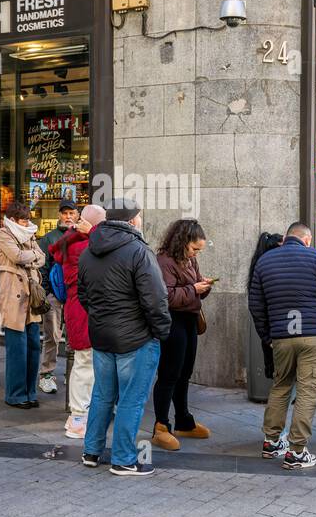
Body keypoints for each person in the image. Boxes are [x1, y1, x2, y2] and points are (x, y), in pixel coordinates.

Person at [79, 200, 171, 476]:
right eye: (140, 216)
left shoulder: (88, 251)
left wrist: (102, 317)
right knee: (131, 399)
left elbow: (85, 297)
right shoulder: (138, 251)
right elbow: (155, 299)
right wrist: (161, 330)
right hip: (136, 338)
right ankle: (123, 459)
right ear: (132, 221)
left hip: (102, 335)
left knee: (102, 395)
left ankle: (91, 451)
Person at [249, 222, 316, 470]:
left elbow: (256, 305)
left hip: (281, 337)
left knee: (281, 386)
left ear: (286, 238)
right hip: (313, 335)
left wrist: (267, 336)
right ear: (307, 239)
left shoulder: (265, 262)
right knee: (308, 391)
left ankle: (271, 442)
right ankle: (297, 450)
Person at [150, 218, 213, 451]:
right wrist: (193, 289)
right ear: (183, 241)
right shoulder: (164, 261)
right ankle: (161, 426)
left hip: (189, 320)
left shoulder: (189, 260)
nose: (196, 253)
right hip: (173, 322)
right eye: (195, 248)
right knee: (169, 374)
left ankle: (184, 421)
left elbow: (192, 291)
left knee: (185, 372)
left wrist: (203, 287)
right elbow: (164, 295)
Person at [50, 204, 106, 439]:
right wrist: (94, 232)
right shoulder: (83, 244)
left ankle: (80, 414)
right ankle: (78, 417)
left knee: (86, 363)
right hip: (84, 309)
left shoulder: (74, 240)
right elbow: (104, 256)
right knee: (84, 363)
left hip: (80, 308)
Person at [0, 199, 46, 409]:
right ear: (13, 219)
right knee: (17, 348)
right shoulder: (3, 233)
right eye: (23, 220)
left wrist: (31, 256)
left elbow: (42, 257)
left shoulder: (30, 234)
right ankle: (15, 395)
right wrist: (33, 256)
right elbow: (17, 256)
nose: (27, 223)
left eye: (28, 220)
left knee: (34, 345)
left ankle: (30, 392)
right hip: (14, 295)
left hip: (31, 295)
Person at [37, 199, 79, 395]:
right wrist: (47, 293)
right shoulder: (49, 239)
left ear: (77, 215)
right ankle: (46, 374)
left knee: (75, 336)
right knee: (52, 335)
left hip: (76, 296)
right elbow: (42, 268)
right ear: (59, 215)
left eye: (71, 213)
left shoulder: (82, 235)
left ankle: (73, 373)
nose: (68, 217)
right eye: (65, 213)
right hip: (55, 295)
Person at [244, 231, 284, 401]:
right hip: (280, 327)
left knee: (275, 371)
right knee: (282, 374)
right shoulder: (274, 269)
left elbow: (256, 307)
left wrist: (266, 337)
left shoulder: (258, 267)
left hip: (268, 330)